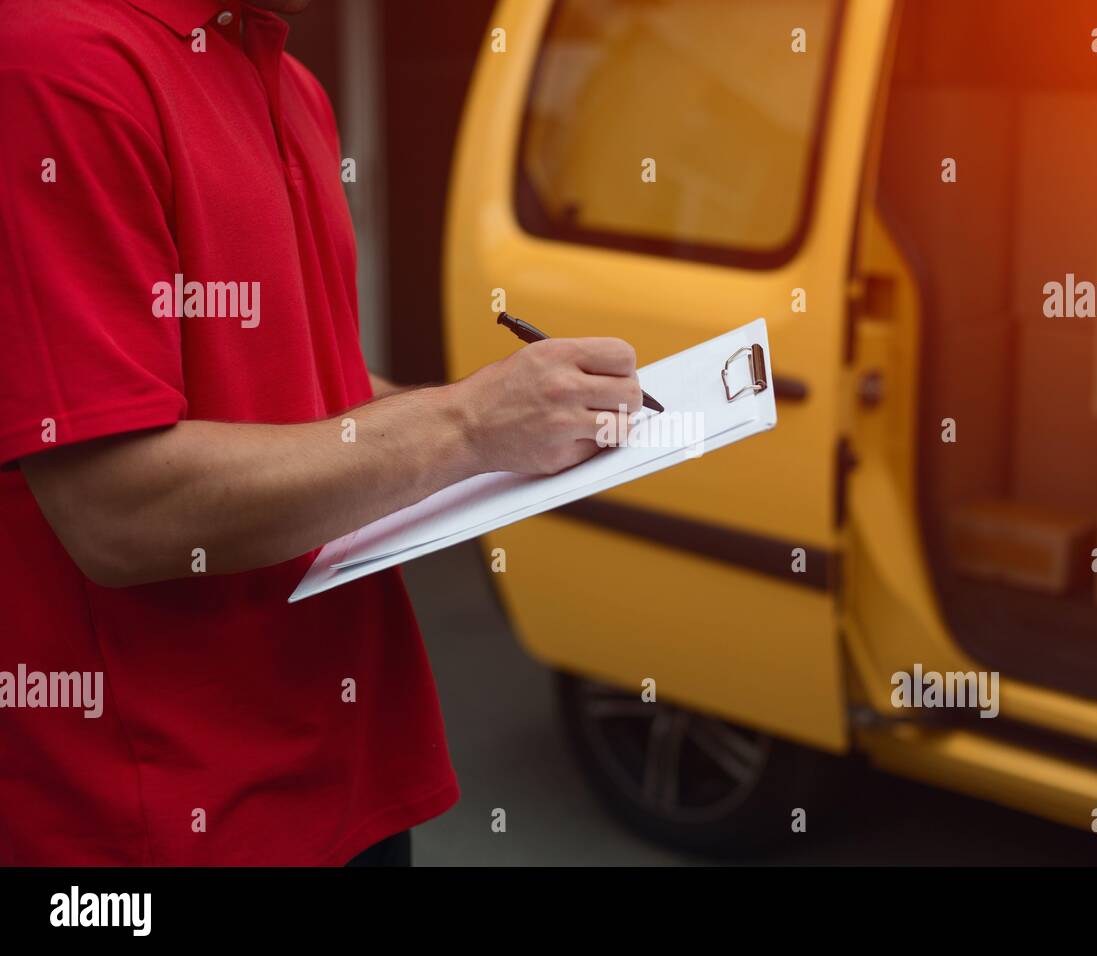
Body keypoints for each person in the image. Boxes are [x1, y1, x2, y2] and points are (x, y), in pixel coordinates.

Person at [0, 0, 641, 865]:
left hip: (355, 775)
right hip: (165, 822)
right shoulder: (53, 63)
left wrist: (522, 430)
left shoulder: (287, 77)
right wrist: (467, 423)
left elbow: (319, 394)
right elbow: (117, 509)